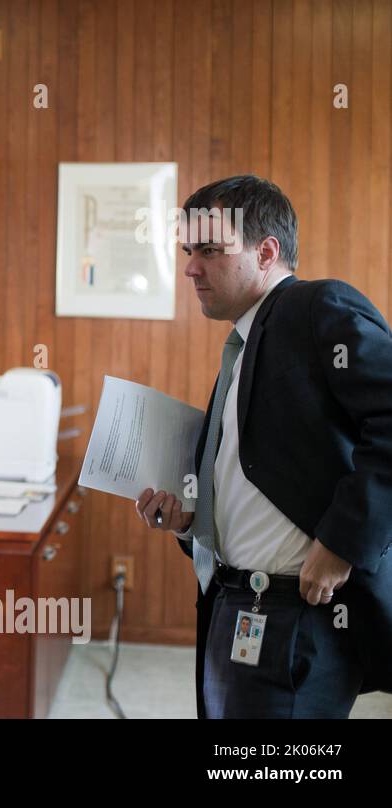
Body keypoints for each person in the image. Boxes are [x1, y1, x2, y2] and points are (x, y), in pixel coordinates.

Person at [134, 175, 392, 718]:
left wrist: (343, 542)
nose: (190, 268)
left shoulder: (319, 306)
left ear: (266, 252)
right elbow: (259, 474)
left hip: (296, 615)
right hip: (234, 601)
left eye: (209, 250)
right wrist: (190, 521)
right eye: (187, 252)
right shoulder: (243, 345)